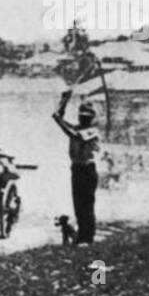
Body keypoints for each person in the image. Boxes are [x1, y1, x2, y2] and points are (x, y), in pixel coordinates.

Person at [52, 93, 101, 244]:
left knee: (87, 206)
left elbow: (75, 135)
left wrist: (60, 121)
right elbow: (59, 119)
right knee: (79, 206)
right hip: (77, 169)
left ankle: (88, 237)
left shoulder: (93, 131)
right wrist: (63, 102)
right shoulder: (78, 128)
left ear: (91, 118)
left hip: (88, 170)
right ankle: (81, 237)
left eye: (86, 116)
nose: (83, 118)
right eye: (81, 116)